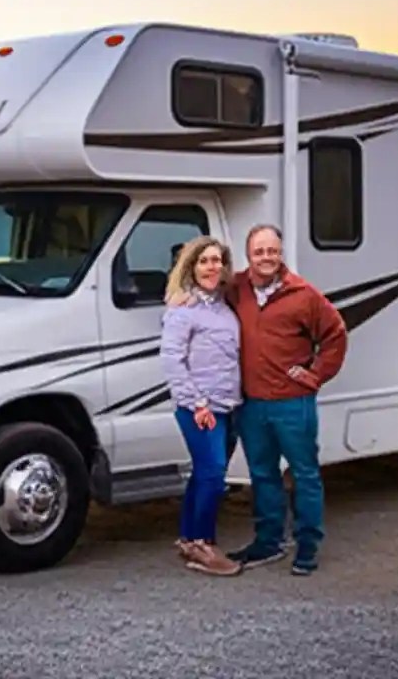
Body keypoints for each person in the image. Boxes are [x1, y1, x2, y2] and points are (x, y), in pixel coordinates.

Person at [228, 224, 347, 576]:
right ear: (248, 256)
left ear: (281, 254)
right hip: (252, 405)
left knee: (304, 475)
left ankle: (307, 546)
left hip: (293, 404)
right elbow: (200, 286)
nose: (266, 258)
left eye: (272, 251)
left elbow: (335, 335)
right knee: (262, 475)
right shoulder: (237, 289)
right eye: (259, 252)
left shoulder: (304, 295)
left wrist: (315, 374)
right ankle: (268, 542)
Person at [159, 235, 243, 576]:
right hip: (201, 407)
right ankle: (204, 546)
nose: (213, 267)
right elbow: (173, 360)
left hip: (228, 404)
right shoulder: (183, 310)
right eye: (205, 261)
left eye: (217, 260)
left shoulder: (222, 306)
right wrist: (197, 404)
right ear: (191, 267)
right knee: (212, 473)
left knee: (205, 472)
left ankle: (188, 538)